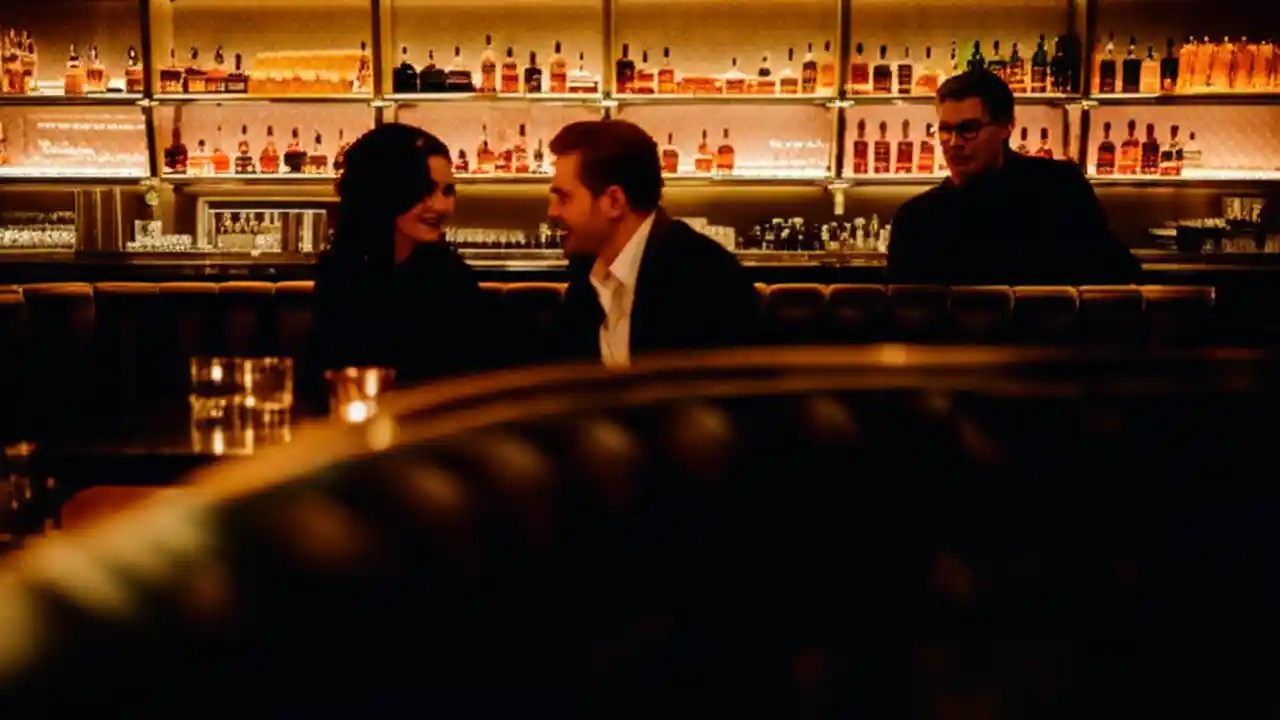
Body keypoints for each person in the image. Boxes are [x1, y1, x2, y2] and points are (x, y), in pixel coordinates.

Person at [888, 70, 1140, 285]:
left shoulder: (1059, 189)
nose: (954, 143)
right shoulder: (917, 218)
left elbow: (1119, 279)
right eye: (945, 130)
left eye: (969, 129)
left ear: (1006, 126)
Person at [548, 120, 760, 368]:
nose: (552, 212)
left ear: (614, 201)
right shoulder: (587, 279)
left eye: (564, 198)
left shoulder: (703, 278)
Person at [314, 123, 493, 384]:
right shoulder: (341, 275)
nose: (441, 206)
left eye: (447, 191)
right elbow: (320, 379)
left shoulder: (451, 282)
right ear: (385, 190)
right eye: (425, 190)